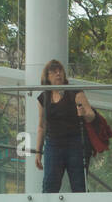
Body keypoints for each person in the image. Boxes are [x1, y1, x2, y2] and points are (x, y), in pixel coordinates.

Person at [33, 59, 96, 194]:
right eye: (54, 72)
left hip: (75, 143)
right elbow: (41, 126)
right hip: (53, 144)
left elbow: (91, 115)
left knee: (79, 185)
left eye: (60, 70)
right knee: (49, 185)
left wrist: (84, 113)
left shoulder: (74, 92)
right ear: (47, 77)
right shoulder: (43, 97)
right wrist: (38, 152)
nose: (58, 74)